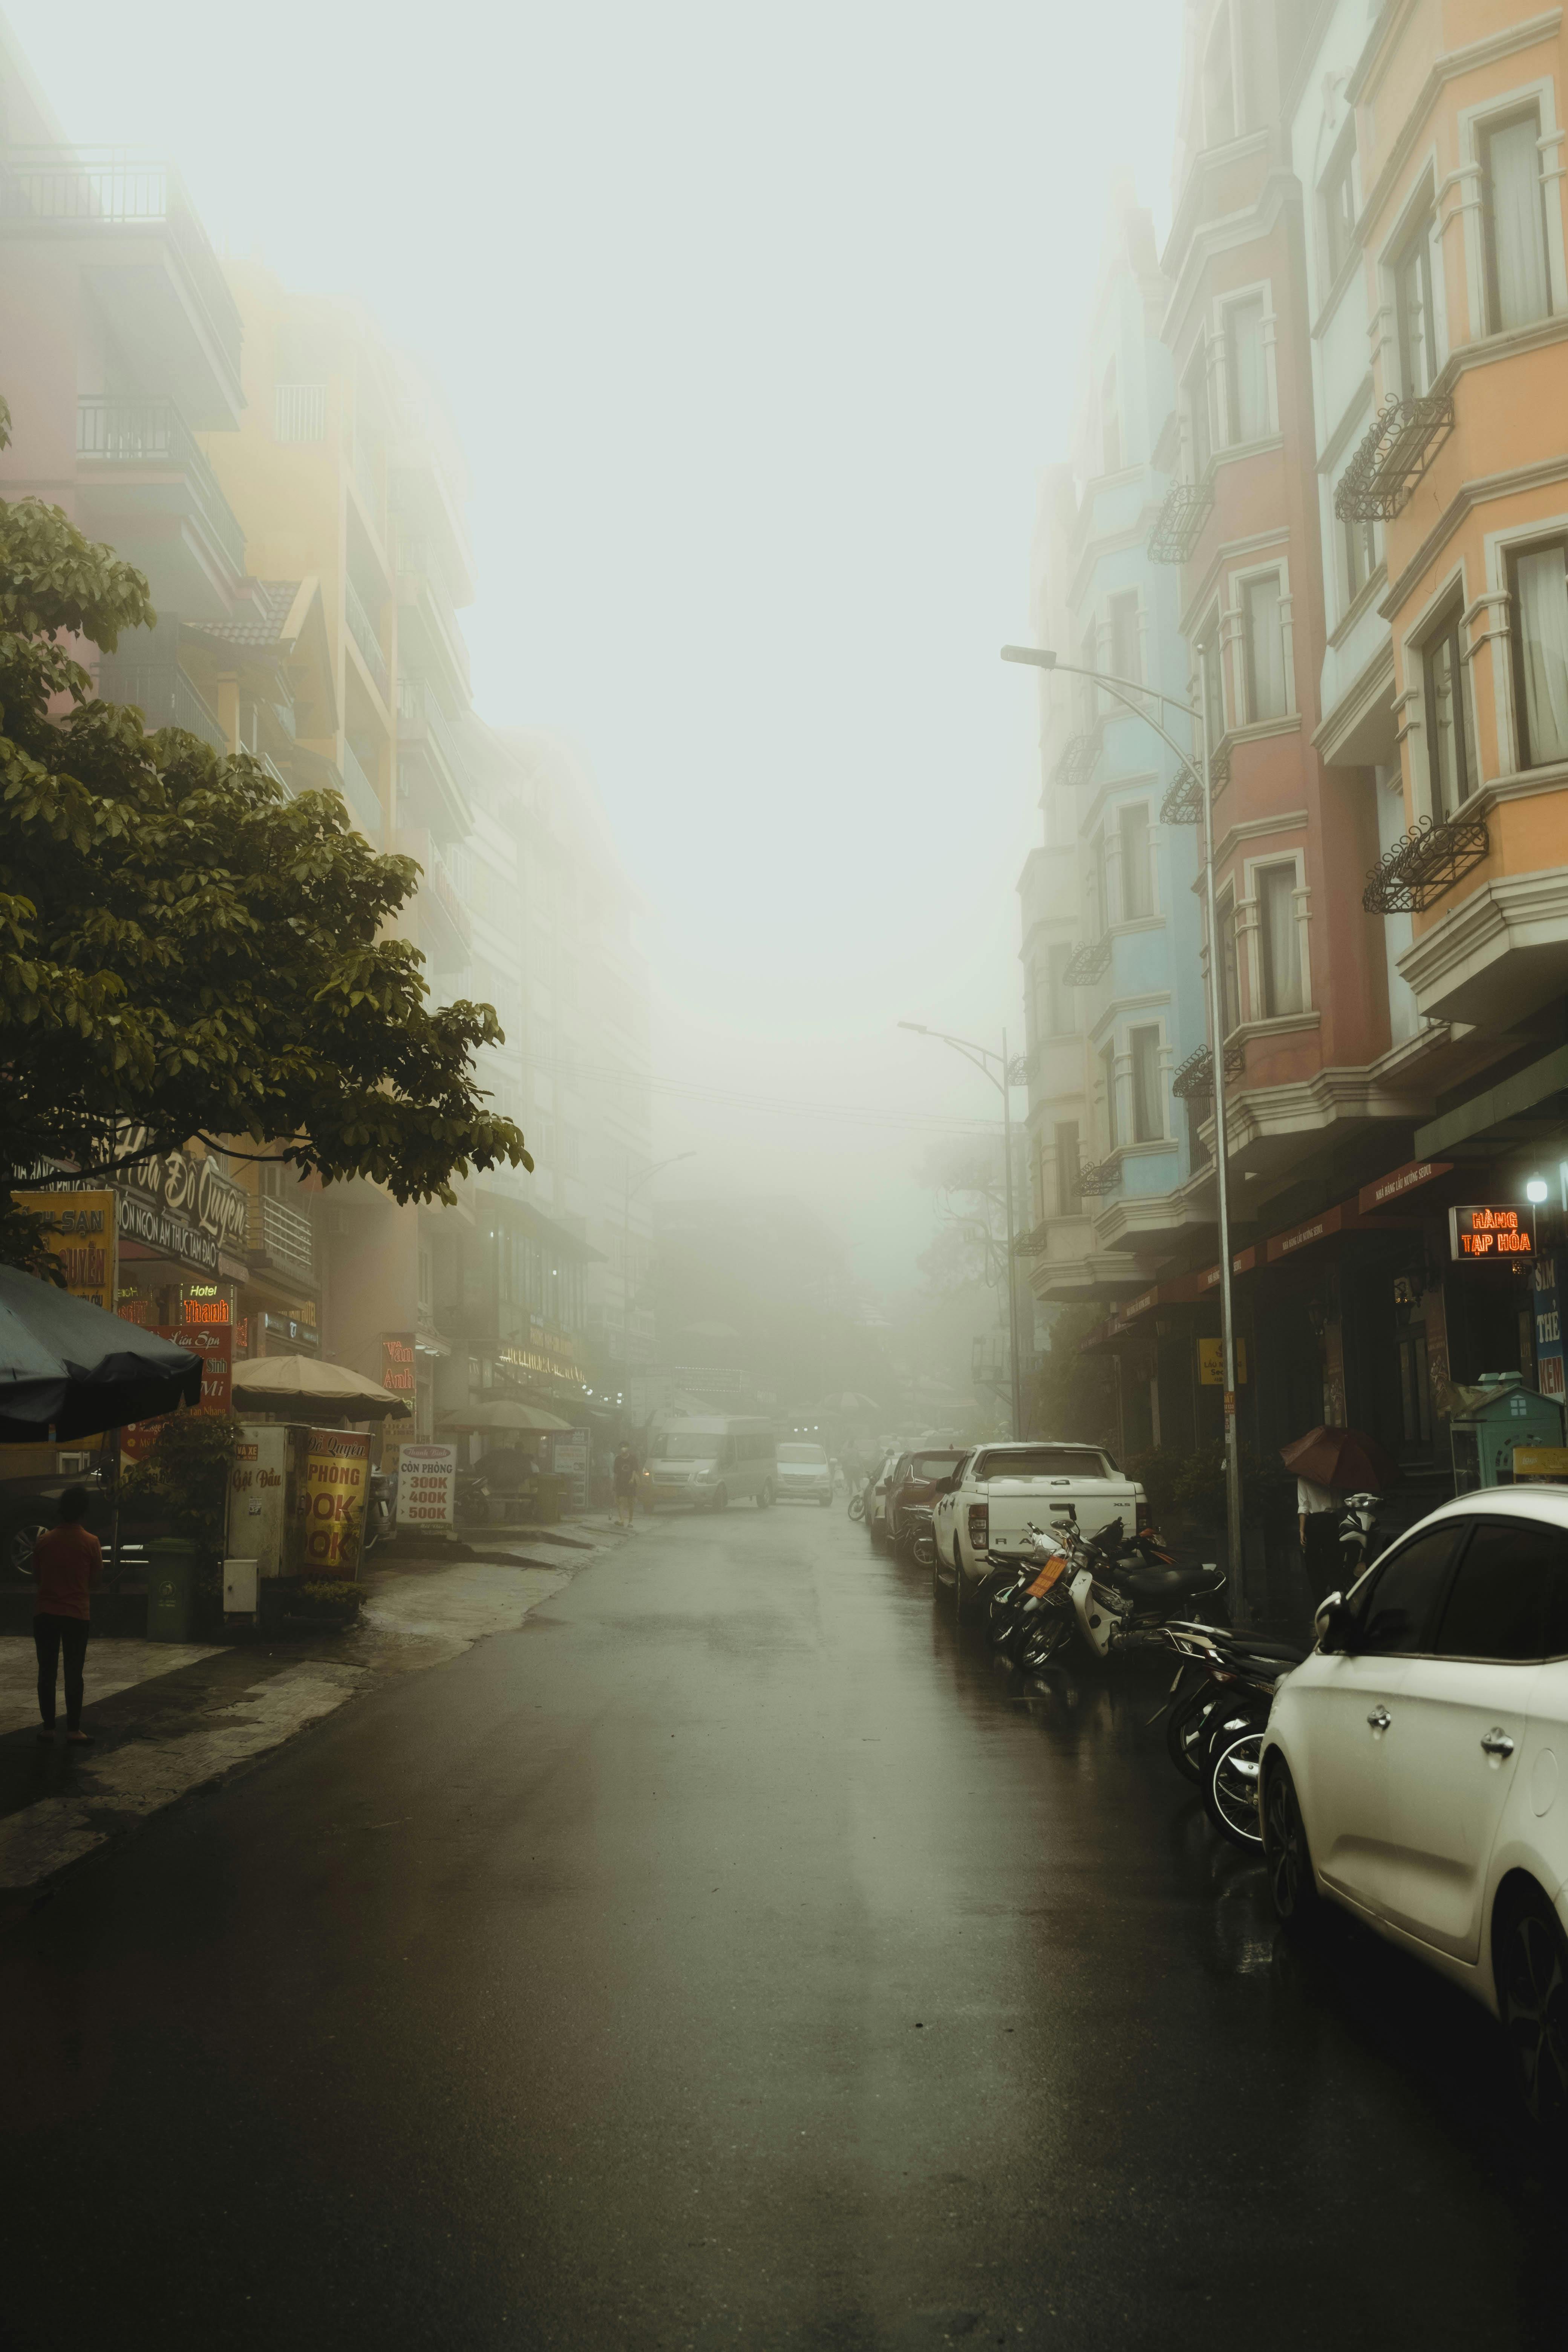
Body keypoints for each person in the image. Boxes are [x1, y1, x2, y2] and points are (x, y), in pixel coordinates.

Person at [32, 1485, 101, 1746]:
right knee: (74, 1673)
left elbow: (37, 1577)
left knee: (46, 1671)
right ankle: (73, 1729)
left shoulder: (44, 1541)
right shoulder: (91, 1542)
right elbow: (95, 1581)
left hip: (46, 1613)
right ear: (84, 1511)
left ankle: (49, 1728)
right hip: (77, 1615)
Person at [1297, 1473, 1342, 1607]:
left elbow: (1304, 1506)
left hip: (1314, 1523)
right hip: (1331, 1521)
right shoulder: (1333, 1477)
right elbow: (1339, 1505)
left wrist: (1302, 1530)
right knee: (1333, 1560)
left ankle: (1319, 1600)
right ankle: (1336, 1596)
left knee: (1313, 1562)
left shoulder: (1303, 1478)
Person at [613, 1441, 639, 1530]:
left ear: (628, 1448)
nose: (623, 1449)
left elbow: (635, 1470)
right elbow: (616, 1473)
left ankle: (631, 1521)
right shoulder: (618, 1459)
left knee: (631, 1502)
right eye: (622, 1447)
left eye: (625, 1447)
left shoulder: (633, 1458)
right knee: (621, 1501)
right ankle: (622, 1520)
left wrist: (632, 1479)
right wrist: (614, 1483)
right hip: (621, 1483)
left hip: (630, 1483)